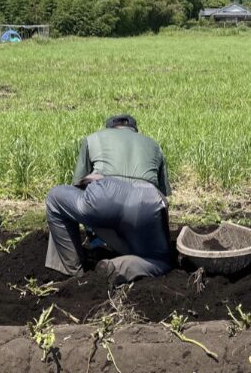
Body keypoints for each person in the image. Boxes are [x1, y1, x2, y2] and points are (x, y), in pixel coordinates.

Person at [44, 114, 172, 285]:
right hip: (147, 201)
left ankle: (74, 274)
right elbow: (163, 195)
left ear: (110, 129)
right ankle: (117, 267)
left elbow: (79, 185)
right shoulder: (154, 146)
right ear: (134, 130)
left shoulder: (94, 138)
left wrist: (94, 229)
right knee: (160, 261)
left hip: (104, 195)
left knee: (55, 199)